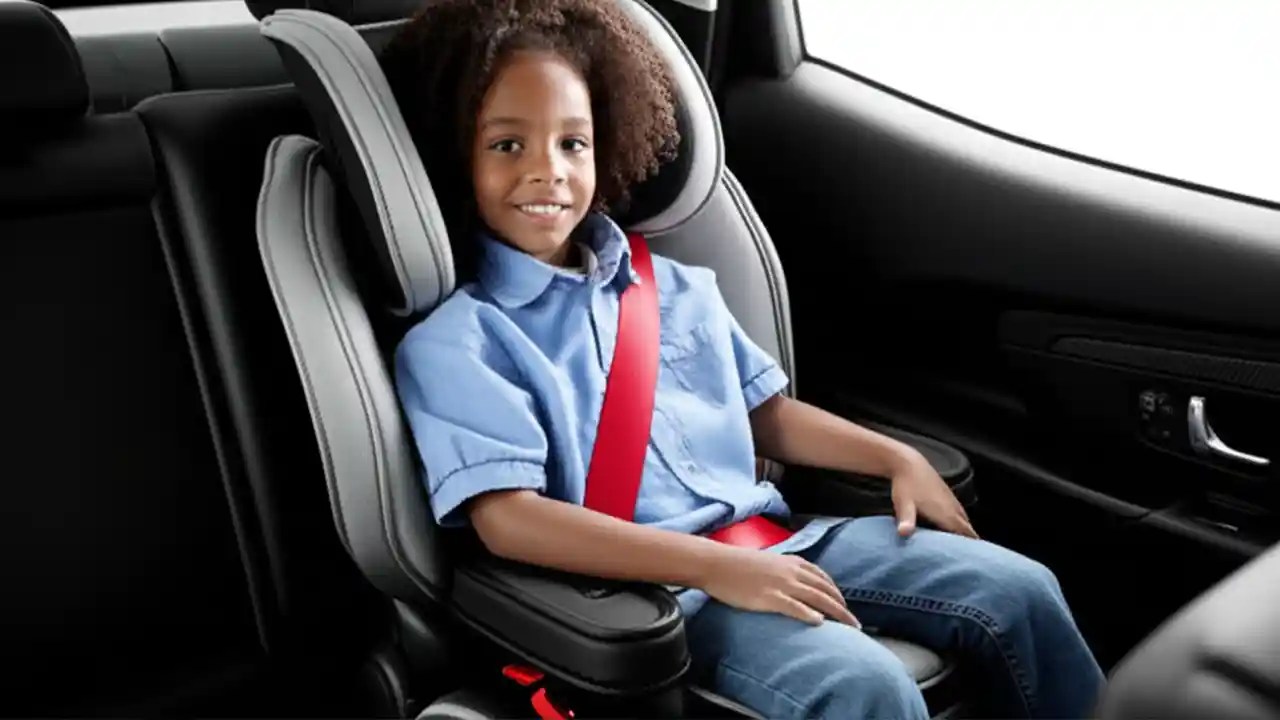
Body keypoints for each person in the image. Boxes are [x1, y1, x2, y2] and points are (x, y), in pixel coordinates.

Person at [381, 1, 1106, 717]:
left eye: (573, 143)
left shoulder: (671, 287)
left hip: (783, 539)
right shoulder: (461, 341)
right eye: (508, 145)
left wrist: (894, 458)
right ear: (456, 155)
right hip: (660, 596)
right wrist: (715, 568)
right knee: (865, 684)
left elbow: (766, 415)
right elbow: (508, 520)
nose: (549, 171)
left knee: (1021, 592)